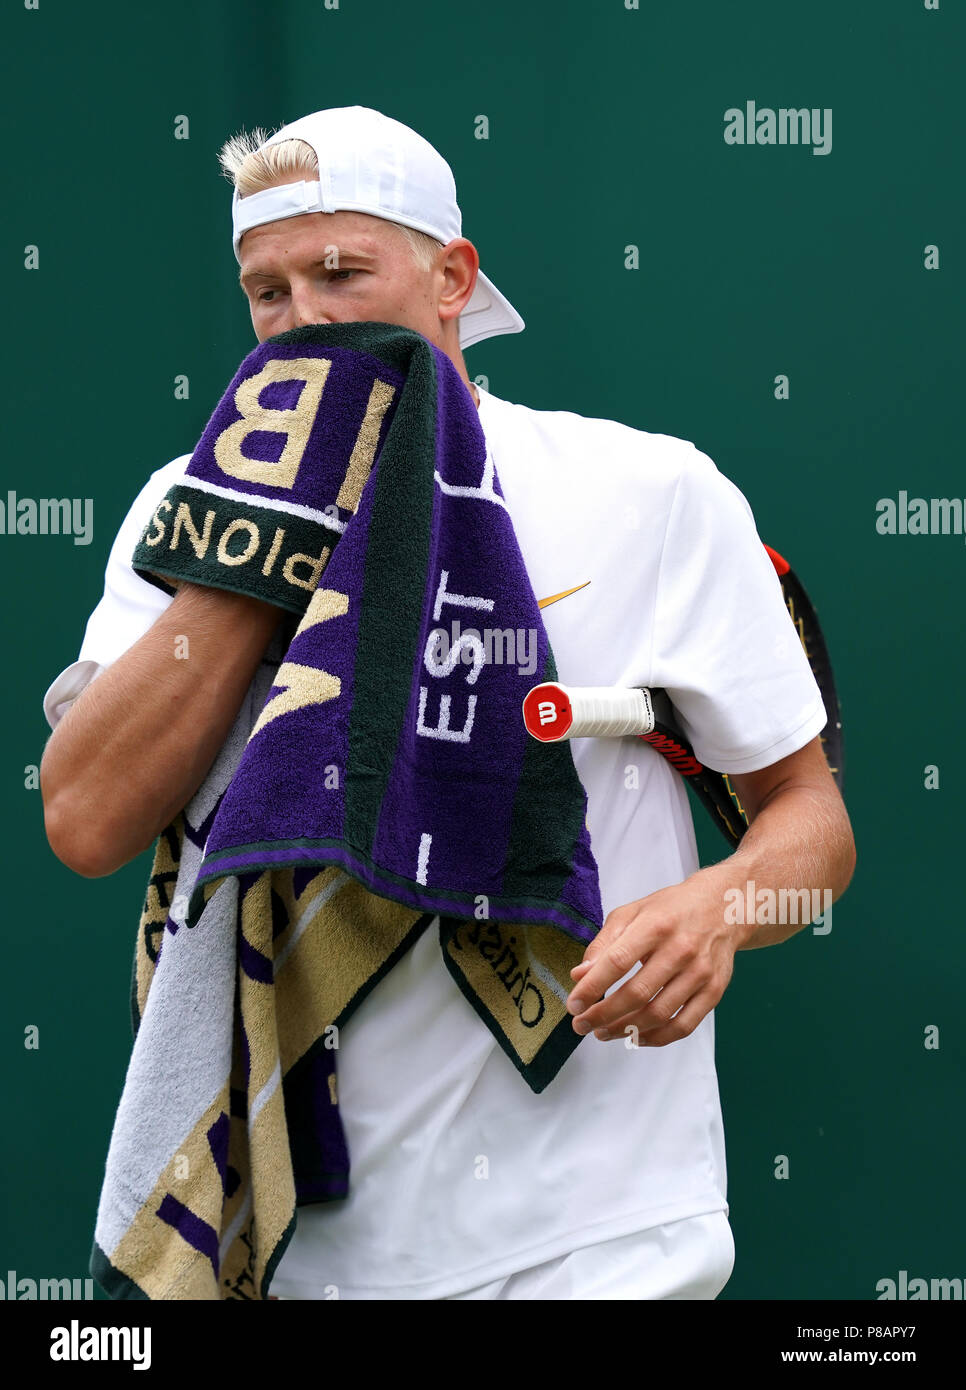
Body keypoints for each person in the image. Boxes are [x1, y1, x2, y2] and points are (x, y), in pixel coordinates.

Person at [39, 105, 855, 1301]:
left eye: (339, 273)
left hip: (602, 1240)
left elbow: (810, 823)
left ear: (452, 280)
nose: (301, 319)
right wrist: (265, 546)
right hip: (305, 1249)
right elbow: (86, 818)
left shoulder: (649, 490)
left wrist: (720, 910)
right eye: (266, 291)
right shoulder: (187, 506)